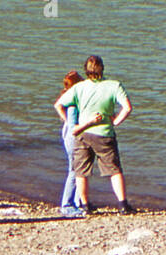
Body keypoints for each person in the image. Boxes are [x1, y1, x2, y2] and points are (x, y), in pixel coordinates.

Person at [58, 54, 133, 214]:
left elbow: (59, 104)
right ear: (102, 68)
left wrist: (69, 123)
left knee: (81, 172)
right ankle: (122, 205)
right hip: (104, 133)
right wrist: (116, 121)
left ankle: (85, 205)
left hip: (83, 133)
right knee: (114, 170)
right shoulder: (114, 85)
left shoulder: (79, 87)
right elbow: (127, 107)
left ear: (86, 70)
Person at [54, 69, 85, 218]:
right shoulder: (73, 100)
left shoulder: (68, 96)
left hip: (68, 131)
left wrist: (65, 120)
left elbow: (57, 105)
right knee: (74, 170)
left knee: (79, 169)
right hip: (73, 135)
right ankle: (67, 204)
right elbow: (73, 126)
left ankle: (79, 202)